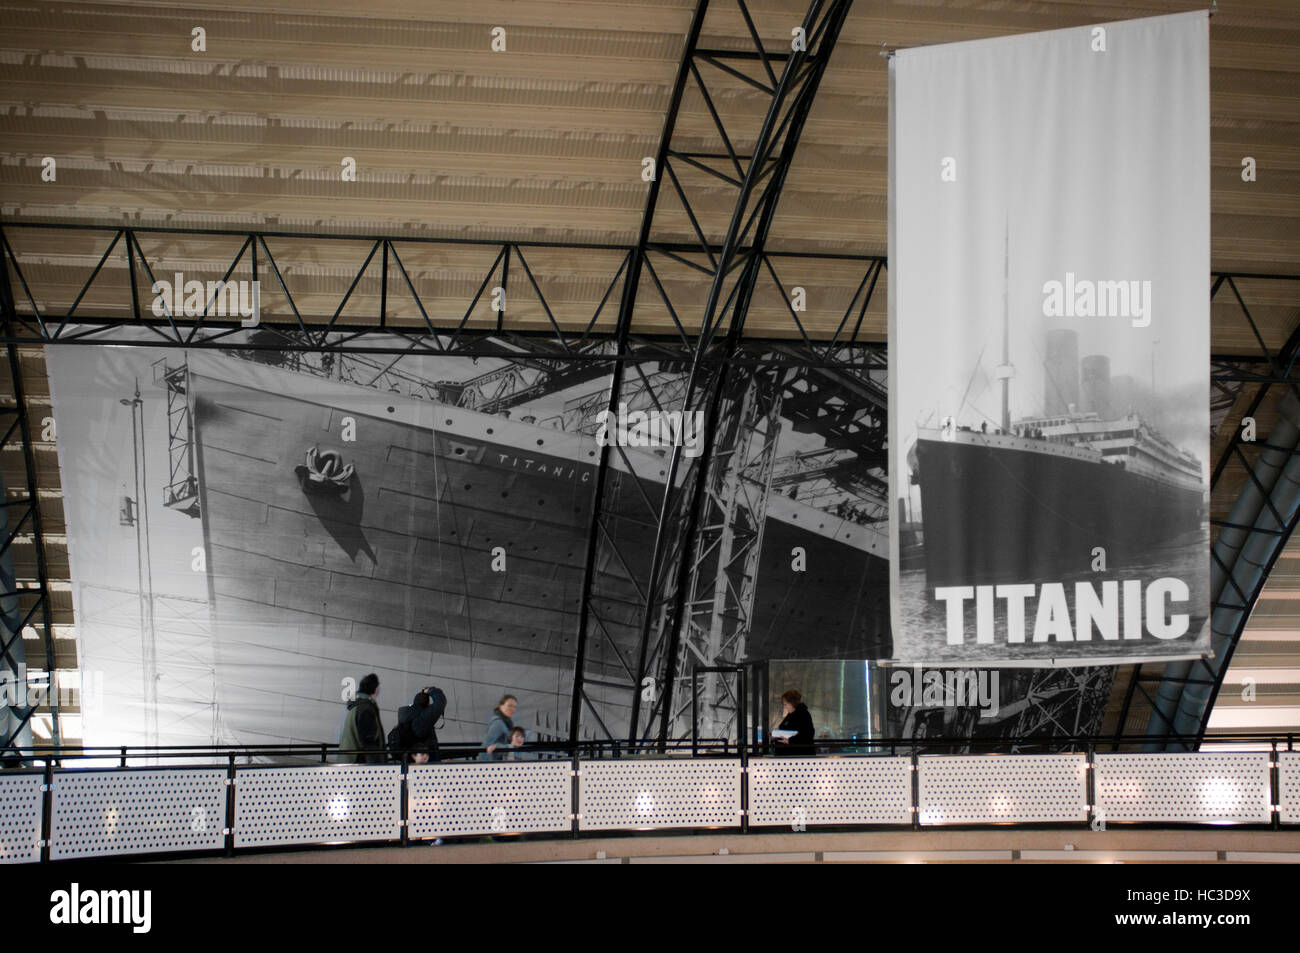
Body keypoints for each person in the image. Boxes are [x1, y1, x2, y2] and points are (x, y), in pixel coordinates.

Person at [339, 673, 385, 763]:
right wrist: (376, 767)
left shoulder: (357, 706)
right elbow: (368, 741)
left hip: (349, 761)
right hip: (358, 764)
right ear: (376, 689)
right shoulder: (366, 709)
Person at [773, 689, 814, 757]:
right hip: (788, 754)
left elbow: (807, 734)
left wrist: (790, 741)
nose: (785, 707)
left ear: (792, 703)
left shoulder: (803, 714)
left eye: (786, 704)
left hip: (798, 755)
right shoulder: (791, 715)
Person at [479, 694, 517, 761]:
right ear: (500, 706)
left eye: (514, 707)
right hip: (492, 765)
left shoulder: (505, 722)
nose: (512, 709)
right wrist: (508, 747)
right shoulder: (498, 723)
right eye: (509, 706)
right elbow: (487, 745)